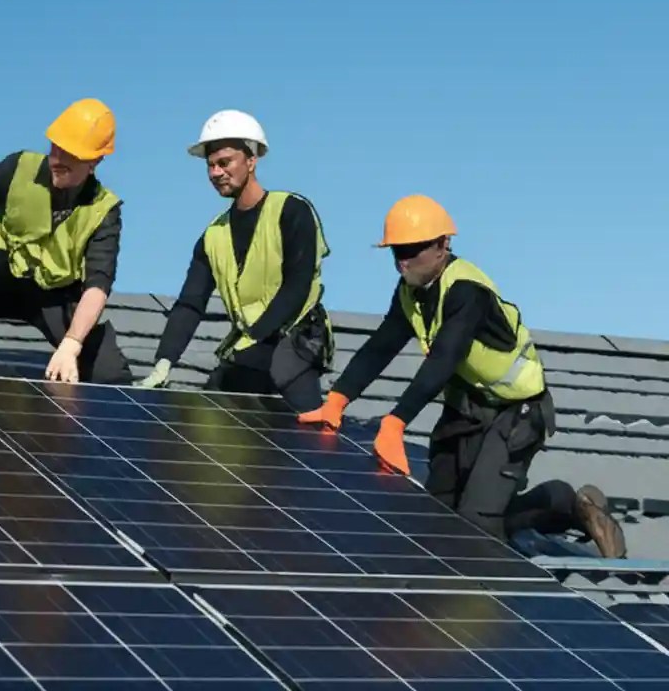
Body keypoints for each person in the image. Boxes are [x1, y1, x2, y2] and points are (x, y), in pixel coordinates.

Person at [297, 195, 626, 558]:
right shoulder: (411, 291)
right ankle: (563, 502)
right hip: (466, 409)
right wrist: (338, 400)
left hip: (515, 412)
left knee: (475, 528)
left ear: (442, 246)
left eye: (412, 248)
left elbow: (445, 357)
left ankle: (567, 507)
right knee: (439, 519)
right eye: (396, 251)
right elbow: (381, 345)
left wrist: (396, 422)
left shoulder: (467, 290)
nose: (402, 259)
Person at [135, 110, 333, 412]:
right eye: (210, 165)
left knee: (306, 434)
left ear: (251, 161)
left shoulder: (292, 211)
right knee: (207, 423)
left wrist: (255, 336)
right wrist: (164, 362)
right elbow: (190, 304)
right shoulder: (213, 237)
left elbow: (298, 284)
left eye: (224, 162)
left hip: (293, 344)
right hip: (248, 350)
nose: (215, 172)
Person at [0, 98, 133, 384]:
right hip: (2, 280)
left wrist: (71, 344)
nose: (58, 160)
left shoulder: (104, 210)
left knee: (111, 376)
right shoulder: (18, 167)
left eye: (71, 154)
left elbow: (97, 287)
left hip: (55, 297)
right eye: (56, 148)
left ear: (95, 161)